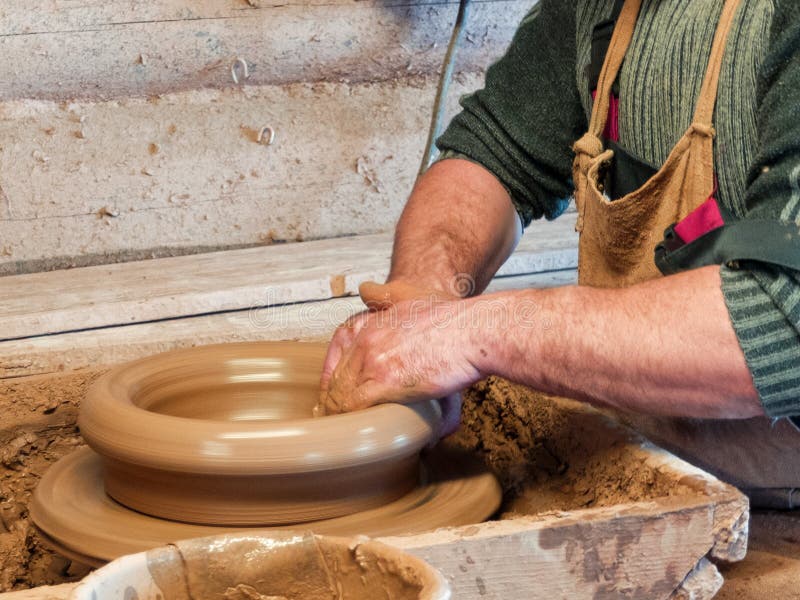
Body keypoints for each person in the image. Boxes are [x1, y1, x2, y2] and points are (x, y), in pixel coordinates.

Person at [318, 0, 800, 505]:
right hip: (652, 471)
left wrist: (478, 332)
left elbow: (783, 320)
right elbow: (496, 151)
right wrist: (424, 296)